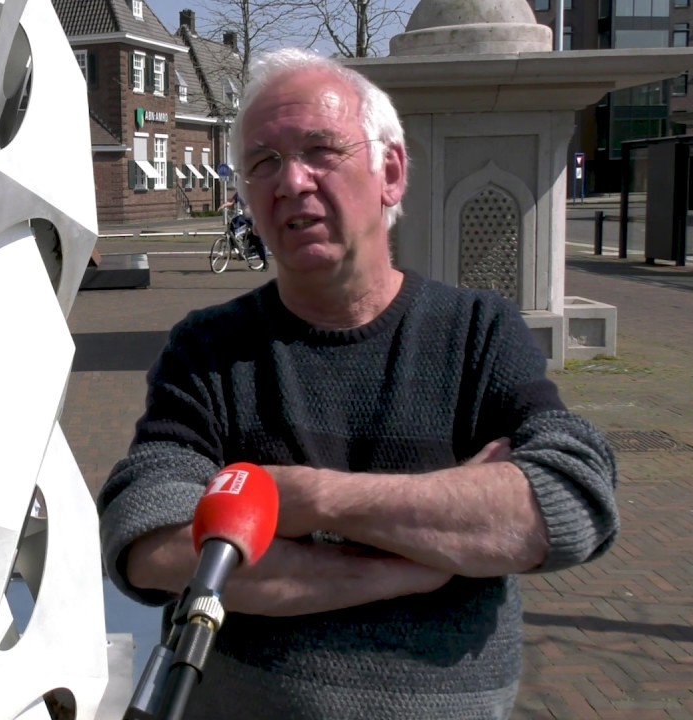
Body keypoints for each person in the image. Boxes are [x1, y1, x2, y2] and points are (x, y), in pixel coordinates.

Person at [97, 47, 618, 719]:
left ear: (390, 173)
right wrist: (412, 563)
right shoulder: (211, 348)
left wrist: (302, 498)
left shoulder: (477, 332)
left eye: (320, 150)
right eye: (262, 163)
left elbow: (566, 504)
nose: (291, 181)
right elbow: (147, 539)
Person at [220, 188, 268, 268]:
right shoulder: (239, 193)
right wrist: (224, 206)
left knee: (257, 238)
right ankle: (235, 245)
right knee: (234, 222)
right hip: (245, 217)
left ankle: (265, 262)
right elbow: (231, 202)